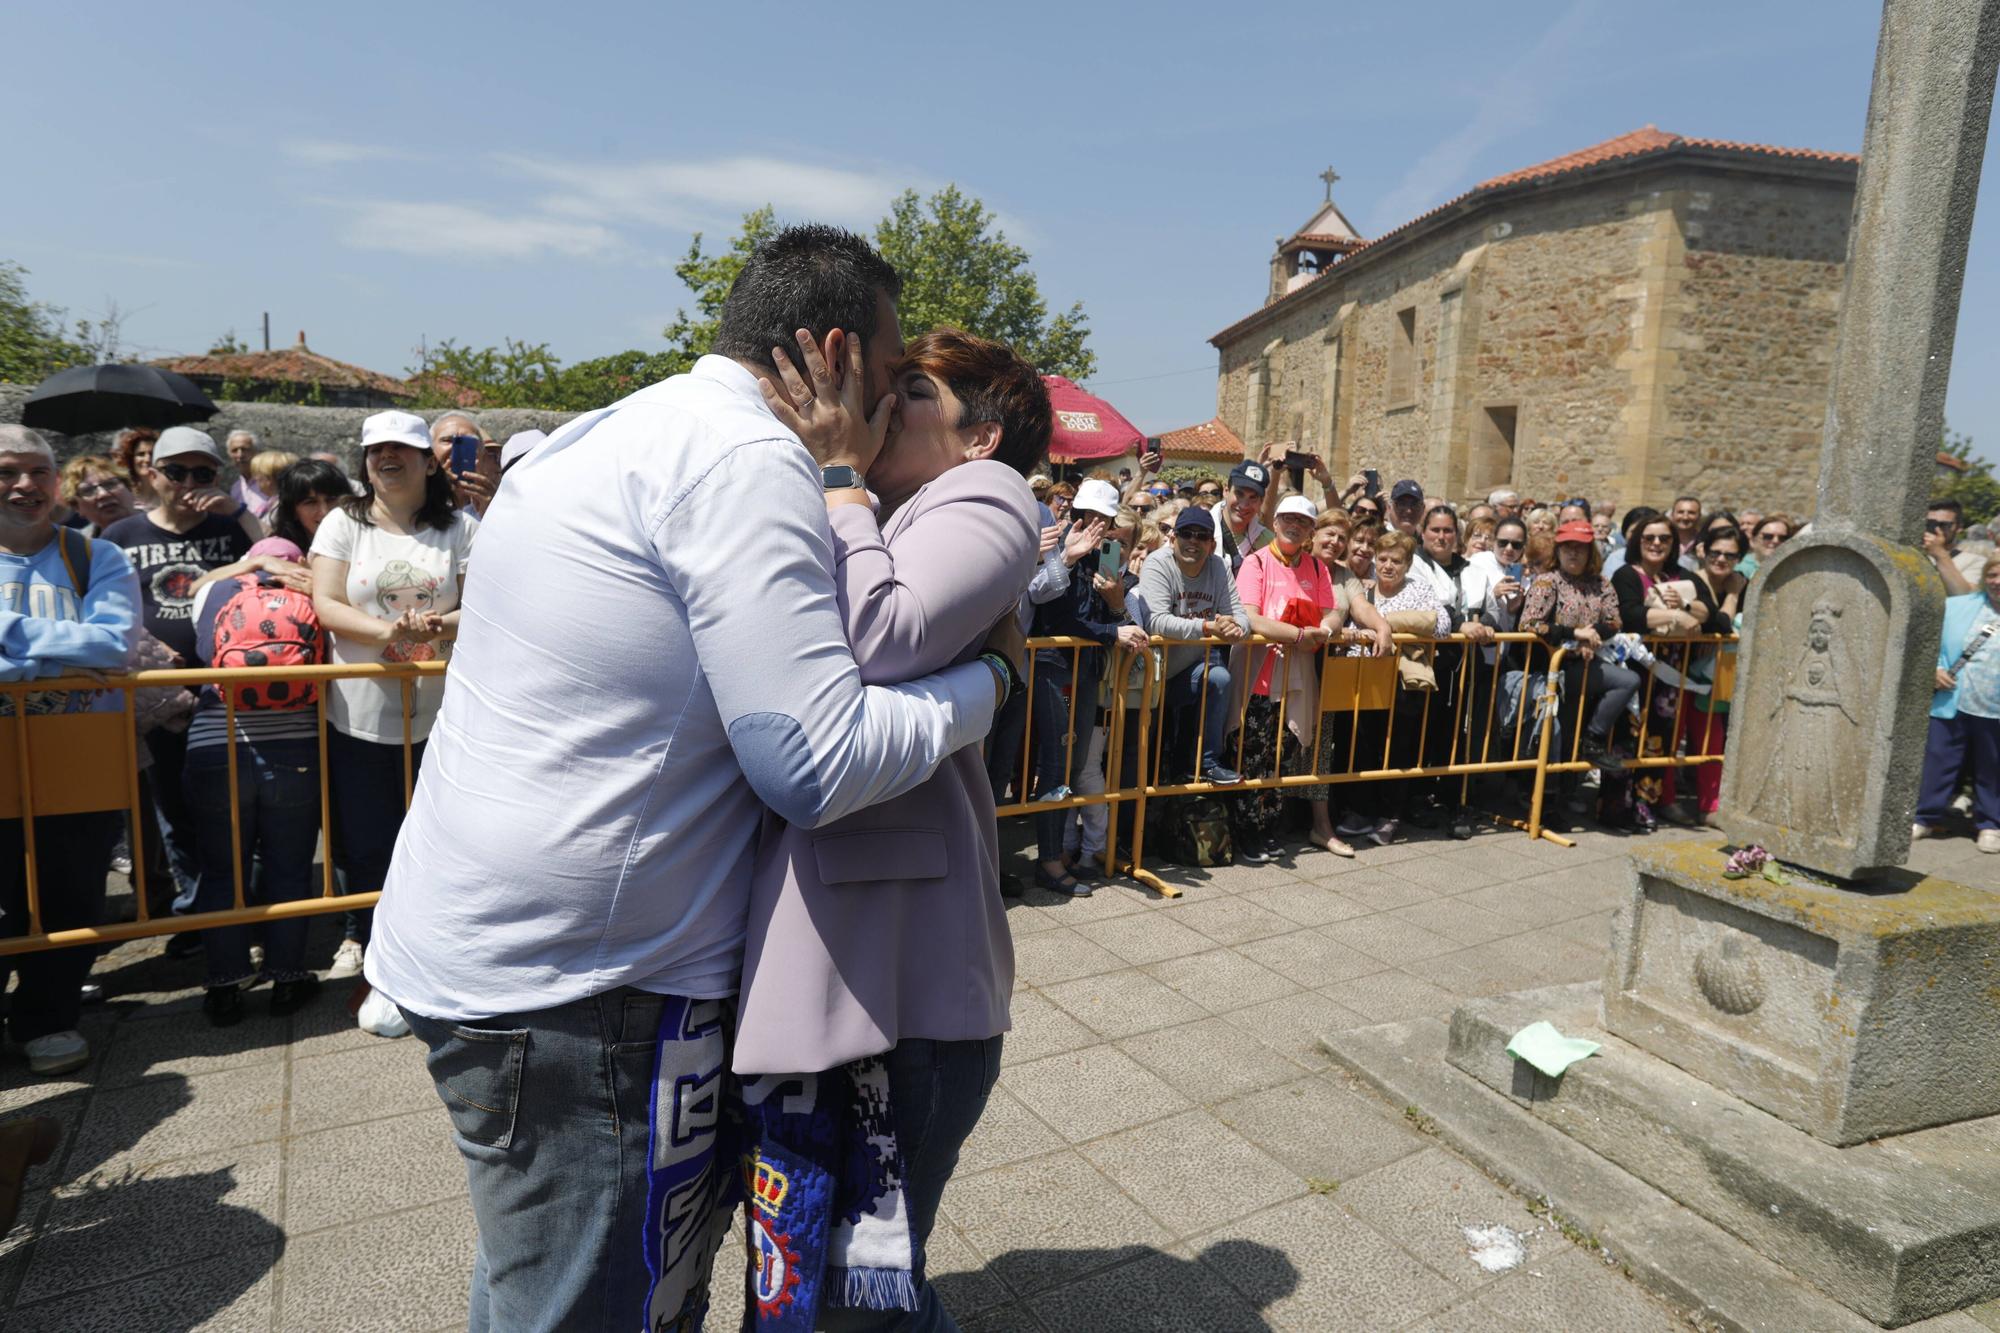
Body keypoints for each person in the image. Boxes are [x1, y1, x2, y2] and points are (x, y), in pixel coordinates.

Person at [366, 225, 1015, 1330]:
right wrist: (990, 682)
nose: (900, 391)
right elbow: (815, 763)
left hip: (505, 949)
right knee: (589, 1303)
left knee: (537, 1280)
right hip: (580, 989)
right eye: (894, 365)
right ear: (833, 354)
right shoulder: (745, 461)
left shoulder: (614, 430)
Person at [733, 327, 1045, 1328]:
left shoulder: (987, 496)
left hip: (904, 975)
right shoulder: (896, 507)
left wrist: (838, 477)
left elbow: (877, 638)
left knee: (865, 1281)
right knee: (849, 1276)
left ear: (982, 435)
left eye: (914, 390)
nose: (881, 400)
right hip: (854, 948)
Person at [308, 410, 478, 984]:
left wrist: (439, 626)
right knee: (364, 832)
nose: (389, 458)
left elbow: (480, 605)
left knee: (438, 832)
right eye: (376, 449)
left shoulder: (459, 527)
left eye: (402, 449)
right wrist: (389, 633)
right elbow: (325, 604)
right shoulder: (342, 523)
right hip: (358, 712)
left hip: (441, 713)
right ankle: (362, 932)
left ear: (428, 461)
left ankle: (430, 940)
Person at [0, 426, 140, 1075]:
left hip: (77, 758)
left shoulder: (95, 557)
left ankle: (47, 1018)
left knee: (71, 895)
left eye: (37, 472)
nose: (24, 485)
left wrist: (9, 640)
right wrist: (56, 651)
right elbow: (86, 645)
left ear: (57, 483)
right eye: (8, 471)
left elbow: (113, 646)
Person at [101, 428, 256, 913]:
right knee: (173, 810)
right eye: (176, 471)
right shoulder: (121, 536)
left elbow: (282, 560)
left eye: (203, 473)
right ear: (151, 474)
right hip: (157, 697)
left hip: (225, 693)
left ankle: (240, 908)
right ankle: (198, 914)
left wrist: (241, 514)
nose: (190, 482)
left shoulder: (231, 529)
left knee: (234, 810)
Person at [184, 535, 325, 1025]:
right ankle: (287, 977)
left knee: (222, 870)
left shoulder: (214, 593)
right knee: (289, 868)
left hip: (214, 742)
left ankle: (225, 985)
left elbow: (202, 650)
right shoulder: (311, 590)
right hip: (295, 745)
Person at [1028, 478, 1142, 894]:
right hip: (1053, 665)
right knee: (1055, 765)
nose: (1092, 525)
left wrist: (1116, 608)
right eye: (1084, 515)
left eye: (1101, 518)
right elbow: (1056, 620)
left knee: (1074, 766)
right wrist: (1069, 559)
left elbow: (1115, 619)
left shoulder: (1110, 555)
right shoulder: (1056, 544)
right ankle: (1048, 859)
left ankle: (1058, 851)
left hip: (1088, 669)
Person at [1226, 495, 1342, 863]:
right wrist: (1296, 635)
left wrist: (1324, 629)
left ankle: (1268, 829)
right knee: (1251, 755)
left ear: (1310, 531)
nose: (1295, 525)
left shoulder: (1317, 568)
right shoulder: (1256, 562)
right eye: (1288, 519)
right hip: (1259, 675)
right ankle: (1246, 832)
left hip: (1298, 673)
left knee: (1284, 754)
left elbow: (1332, 612)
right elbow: (1250, 618)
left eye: (1303, 522)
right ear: (1274, 523)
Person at [1345, 530, 1447, 844]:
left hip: (1405, 682)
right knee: (1362, 745)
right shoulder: (1364, 589)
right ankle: (1361, 810)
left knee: (1398, 746)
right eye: (1384, 559)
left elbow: (1441, 625)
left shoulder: (1420, 589)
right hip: (1364, 674)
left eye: (1397, 561)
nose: (1389, 566)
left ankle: (1390, 815)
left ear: (1408, 563)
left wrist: (1387, 623)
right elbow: (1350, 625)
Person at [1137, 507, 1248, 785]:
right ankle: (1130, 821)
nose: (1193, 541)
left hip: (1193, 672)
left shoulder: (1219, 566)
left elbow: (1241, 616)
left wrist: (1235, 629)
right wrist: (1209, 627)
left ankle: (1207, 762)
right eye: (1186, 534)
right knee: (1140, 762)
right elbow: (1157, 622)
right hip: (1152, 676)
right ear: (1173, 538)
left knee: (1219, 677)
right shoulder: (1157, 563)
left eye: (1202, 536)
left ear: (1212, 544)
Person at [1523, 520, 1635, 774]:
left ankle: (1593, 741)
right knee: (1558, 736)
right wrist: (1573, 634)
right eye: (1567, 547)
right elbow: (1529, 623)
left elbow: (1614, 621)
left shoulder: (1601, 583)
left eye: (1580, 548)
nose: (1573, 553)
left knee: (1628, 681)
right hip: (1554, 668)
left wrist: (1591, 635)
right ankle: (1545, 797)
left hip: (1587, 663)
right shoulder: (1547, 582)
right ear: (1558, 551)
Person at [1915, 555, 2000, 853]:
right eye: (1992, 574)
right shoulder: (1959, 606)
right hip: (1954, 698)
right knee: (1939, 760)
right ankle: (1925, 816)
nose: (1997, 581)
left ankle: (1990, 824)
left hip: (1995, 706)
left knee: (1993, 767)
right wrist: (1936, 668)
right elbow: (1931, 642)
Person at [1679, 525, 1748, 828]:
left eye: (1730, 555)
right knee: (1671, 739)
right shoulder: (1691, 582)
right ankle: (1662, 800)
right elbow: (1719, 623)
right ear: (1703, 550)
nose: (1721, 559)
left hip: (1719, 677)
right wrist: (1732, 595)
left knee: (1712, 741)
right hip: (1678, 672)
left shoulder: (1745, 584)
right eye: (1716, 552)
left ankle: (1710, 806)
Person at [428, 412, 501, 518]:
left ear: (483, 453)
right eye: (447, 440)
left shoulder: (501, 501)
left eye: (468, 442)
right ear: (431, 450)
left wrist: (493, 512)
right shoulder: (413, 501)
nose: (457, 449)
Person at [1212, 460, 1273, 569]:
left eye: (1253, 497)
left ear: (1261, 502)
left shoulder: (1268, 543)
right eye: (1239, 494)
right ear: (1226, 491)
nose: (1244, 505)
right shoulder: (1200, 531)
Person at [58, 455, 138, 536]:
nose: (103, 494)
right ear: (77, 507)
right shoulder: (79, 546)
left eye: (110, 484)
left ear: (130, 489)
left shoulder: (151, 525)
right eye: (88, 490)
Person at [1924, 499, 1982, 596]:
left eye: (1944, 525)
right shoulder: (1911, 552)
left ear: (1959, 527)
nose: (1936, 528)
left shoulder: (1975, 561)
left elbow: (1964, 595)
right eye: (1930, 523)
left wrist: (1939, 553)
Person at [226, 431, 277, 523]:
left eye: (245, 449)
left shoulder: (269, 483)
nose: (240, 455)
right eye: (234, 450)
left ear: (256, 452)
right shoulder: (235, 488)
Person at [113, 426, 161, 509]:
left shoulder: (169, 490)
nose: (147, 459)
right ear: (130, 459)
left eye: (152, 453)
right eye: (141, 454)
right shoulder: (123, 492)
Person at [1669, 495, 1704, 562]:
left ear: (1699, 516)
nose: (1685, 517)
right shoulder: (1663, 540)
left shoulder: (1704, 542)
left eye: (1691, 513)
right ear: (1672, 515)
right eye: (1680, 512)